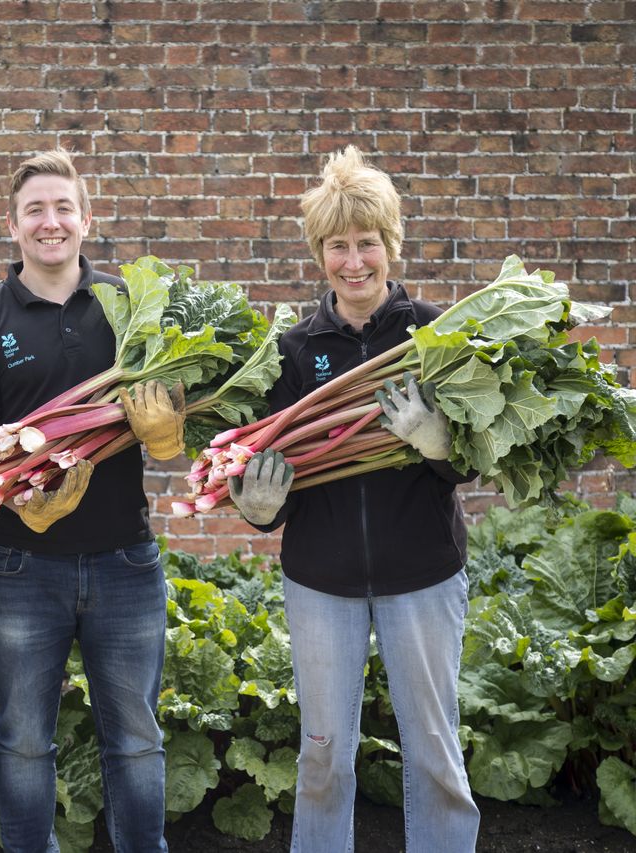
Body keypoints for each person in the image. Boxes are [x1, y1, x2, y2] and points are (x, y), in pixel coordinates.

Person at [229, 145, 481, 851]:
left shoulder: (437, 338)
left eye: (367, 243)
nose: (354, 262)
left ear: (389, 244)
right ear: (320, 252)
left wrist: (438, 443)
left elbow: (472, 460)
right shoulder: (290, 350)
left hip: (425, 574)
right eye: (337, 246)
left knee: (435, 749)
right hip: (322, 580)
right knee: (322, 755)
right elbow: (266, 469)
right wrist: (258, 508)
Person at [0, 148, 182, 852]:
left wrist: (166, 435)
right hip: (22, 565)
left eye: (63, 208)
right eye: (35, 211)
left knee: (137, 739)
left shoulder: (130, 309)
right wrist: (21, 499)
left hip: (124, 561)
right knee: (21, 740)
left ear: (87, 219)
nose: (51, 222)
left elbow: (169, 443)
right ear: (12, 227)